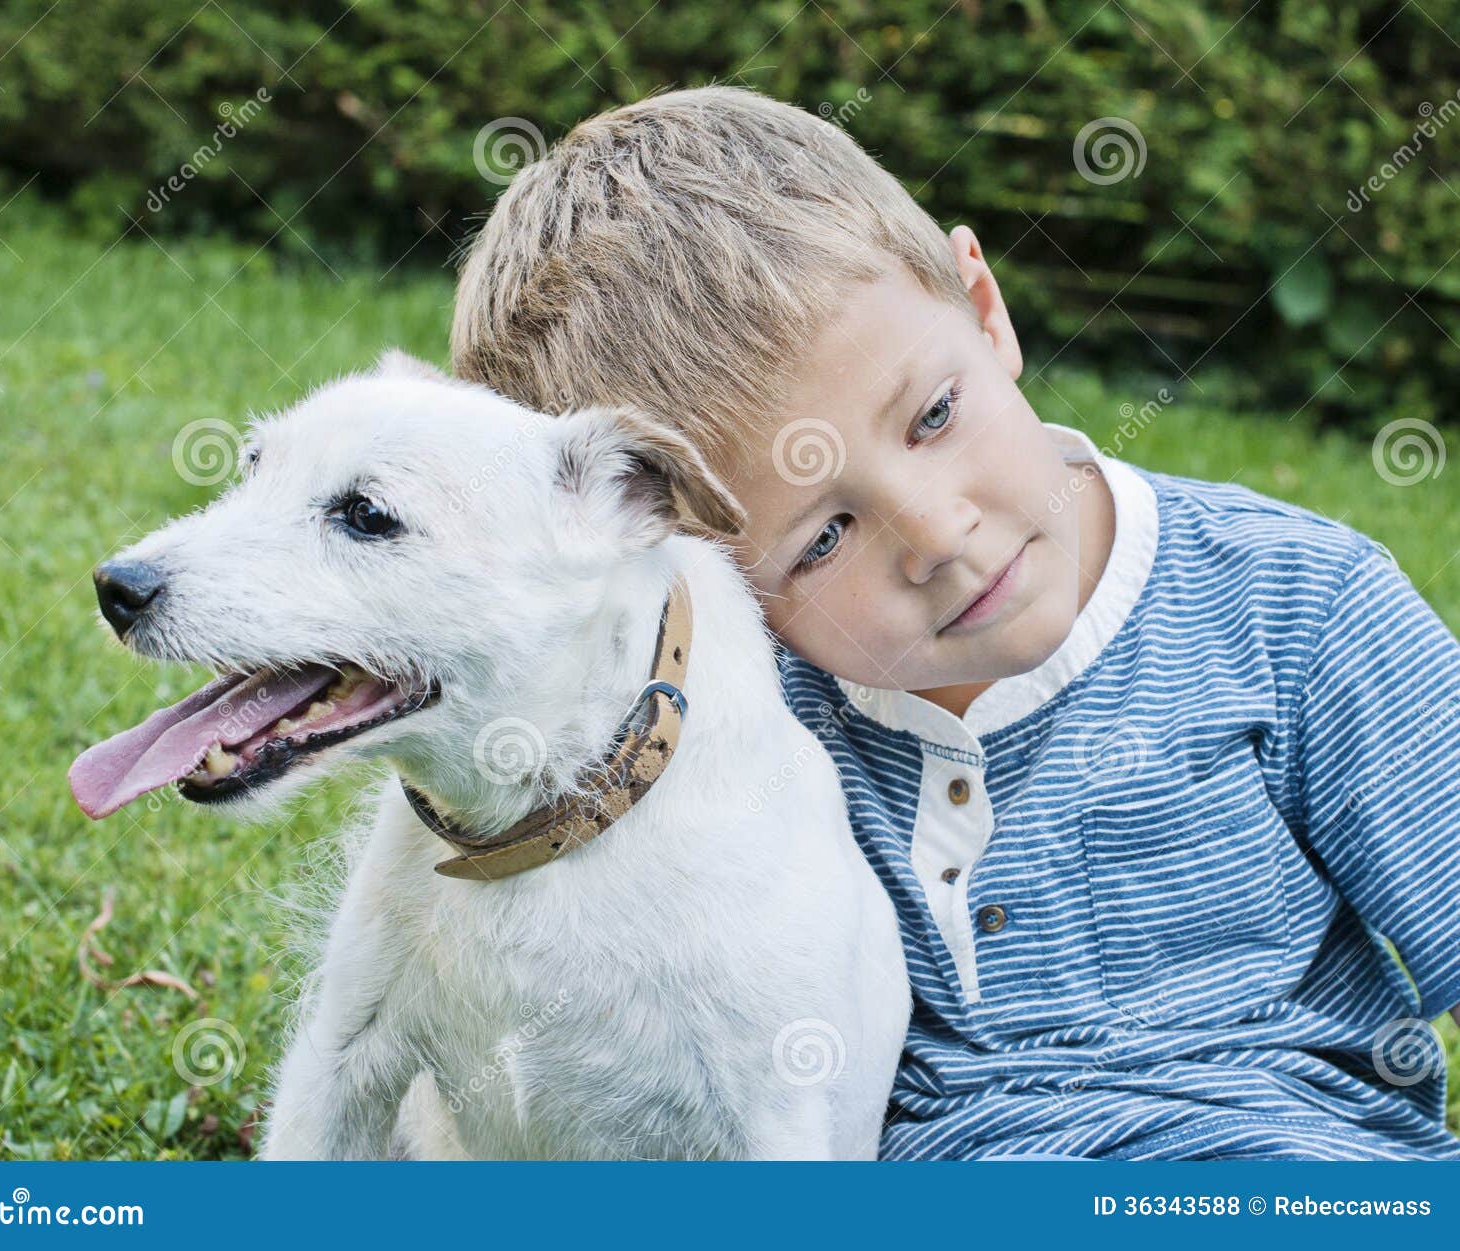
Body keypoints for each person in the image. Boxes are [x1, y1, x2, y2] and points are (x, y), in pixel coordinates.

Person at [449, 85, 1460, 1160]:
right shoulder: (726, 721)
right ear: (693, 584)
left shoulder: (1295, 608)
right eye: (822, 541)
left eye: (933, 415)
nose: (934, 536)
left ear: (985, 310)